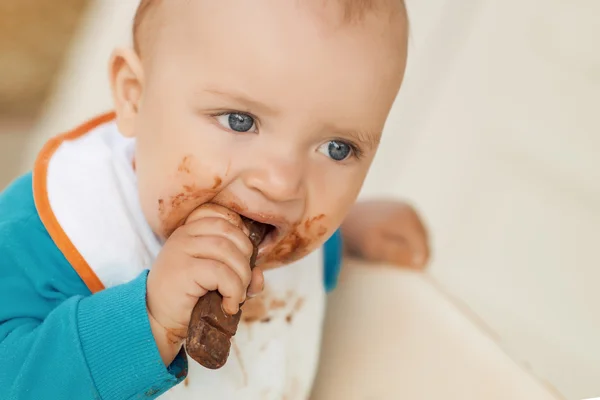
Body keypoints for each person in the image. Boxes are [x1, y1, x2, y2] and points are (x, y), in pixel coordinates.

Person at [0, 0, 429, 398]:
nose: (282, 185)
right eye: (240, 121)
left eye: (337, 148)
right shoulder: (50, 232)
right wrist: (149, 321)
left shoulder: (272, 224)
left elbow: (298, 271)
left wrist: (346, 233)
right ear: (134, 95)